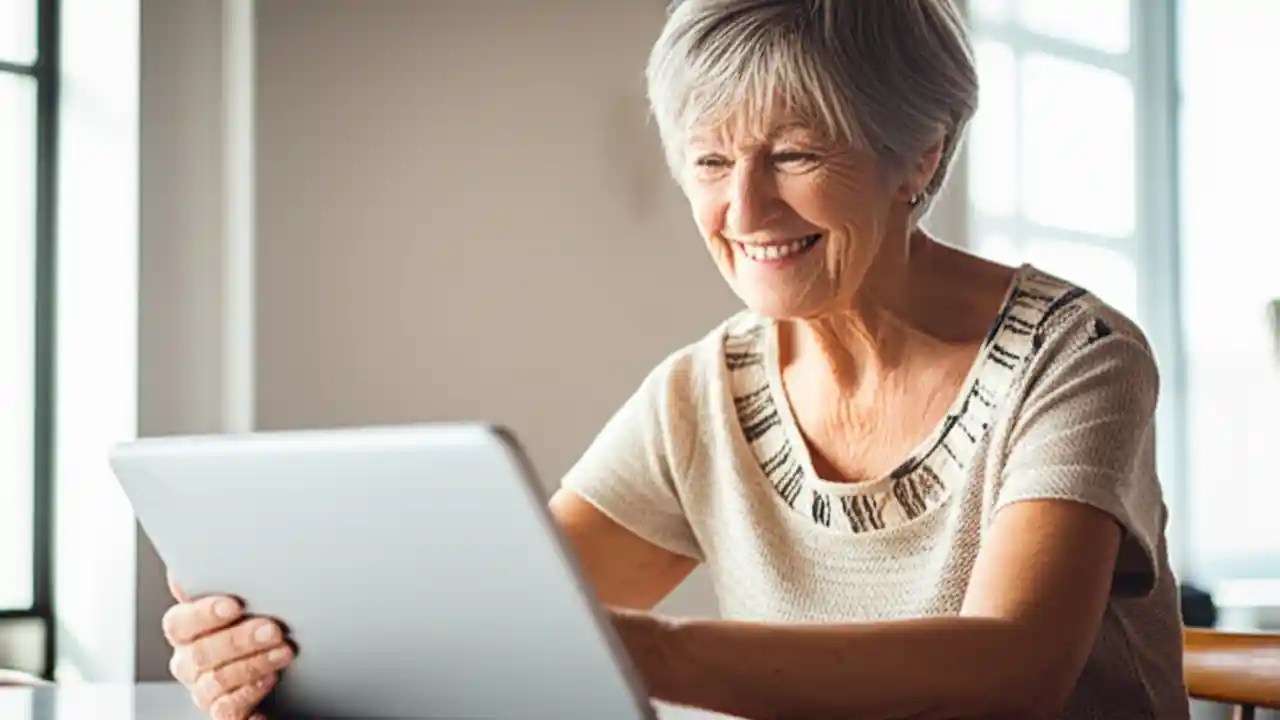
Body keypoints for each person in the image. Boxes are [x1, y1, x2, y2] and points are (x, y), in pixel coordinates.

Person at [159, 1, 1189, 718]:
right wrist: (277, 654)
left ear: (915, 155)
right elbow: (490, 615)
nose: (742, 212)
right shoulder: (707, 389)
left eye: (793, 154)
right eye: (708, 161)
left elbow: (1010, 667)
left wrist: (644, 651)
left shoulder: (1072, 356)